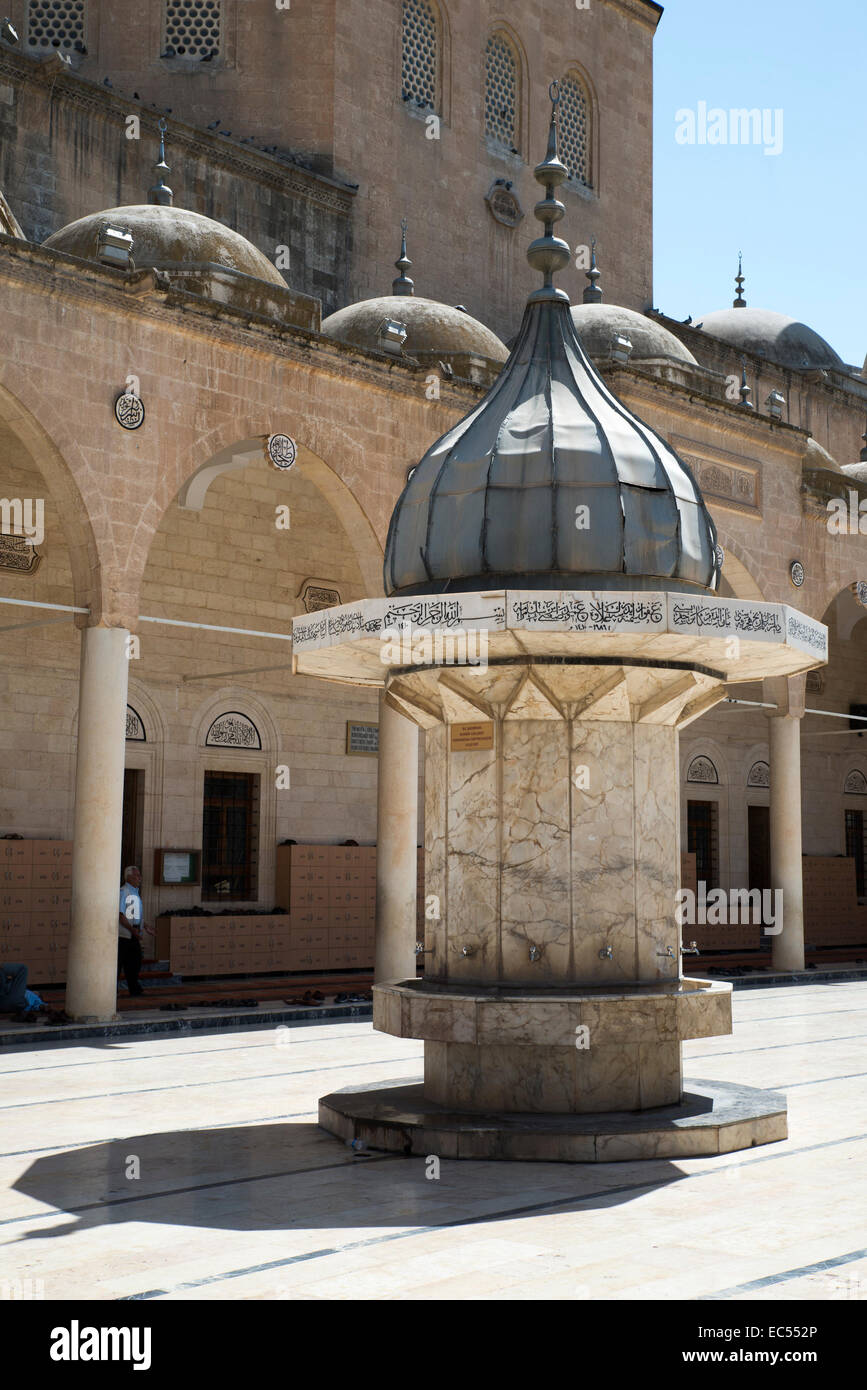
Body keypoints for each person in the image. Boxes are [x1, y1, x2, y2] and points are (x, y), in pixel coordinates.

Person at [118, 865, 153, 997]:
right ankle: (112, 992)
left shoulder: (135, 893)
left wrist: (145, 926)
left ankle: (135, 989)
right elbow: (121, 915)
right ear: (129, 877)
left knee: (135, 962)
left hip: (133, 934)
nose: (140, 878)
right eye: (137, 876)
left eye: (139, 875)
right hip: (124, 935)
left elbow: (134, 916)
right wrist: (132, 930)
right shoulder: (123, 892)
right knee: (119, 964)